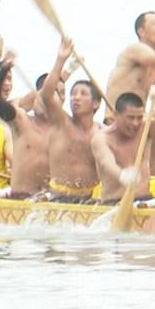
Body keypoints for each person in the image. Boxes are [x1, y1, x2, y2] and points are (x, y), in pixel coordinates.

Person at [41, 40, 103, 203]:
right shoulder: (61, 122)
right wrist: (61, 60)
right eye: (73, 94)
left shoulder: (102, 133)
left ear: (96, 103)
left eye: (83, 94)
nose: (76, 98)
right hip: (59, 197)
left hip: (89, 199)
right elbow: (46, 94)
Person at [0, 60, 57, 199]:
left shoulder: (65, 131)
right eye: (40, 98)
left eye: (48, 100)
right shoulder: (20, 120)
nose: (44, 102)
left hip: (50, 198)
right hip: (20, 196)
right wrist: (4, 69)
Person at [91, 92, 153, 203]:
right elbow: (106, 162)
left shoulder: (145, 128)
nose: (135, 123)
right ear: (115, 115)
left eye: (139, 118)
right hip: (114, 201)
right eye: (130, 117)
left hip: (144, 200)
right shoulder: (101, 138)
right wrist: (122, 176)